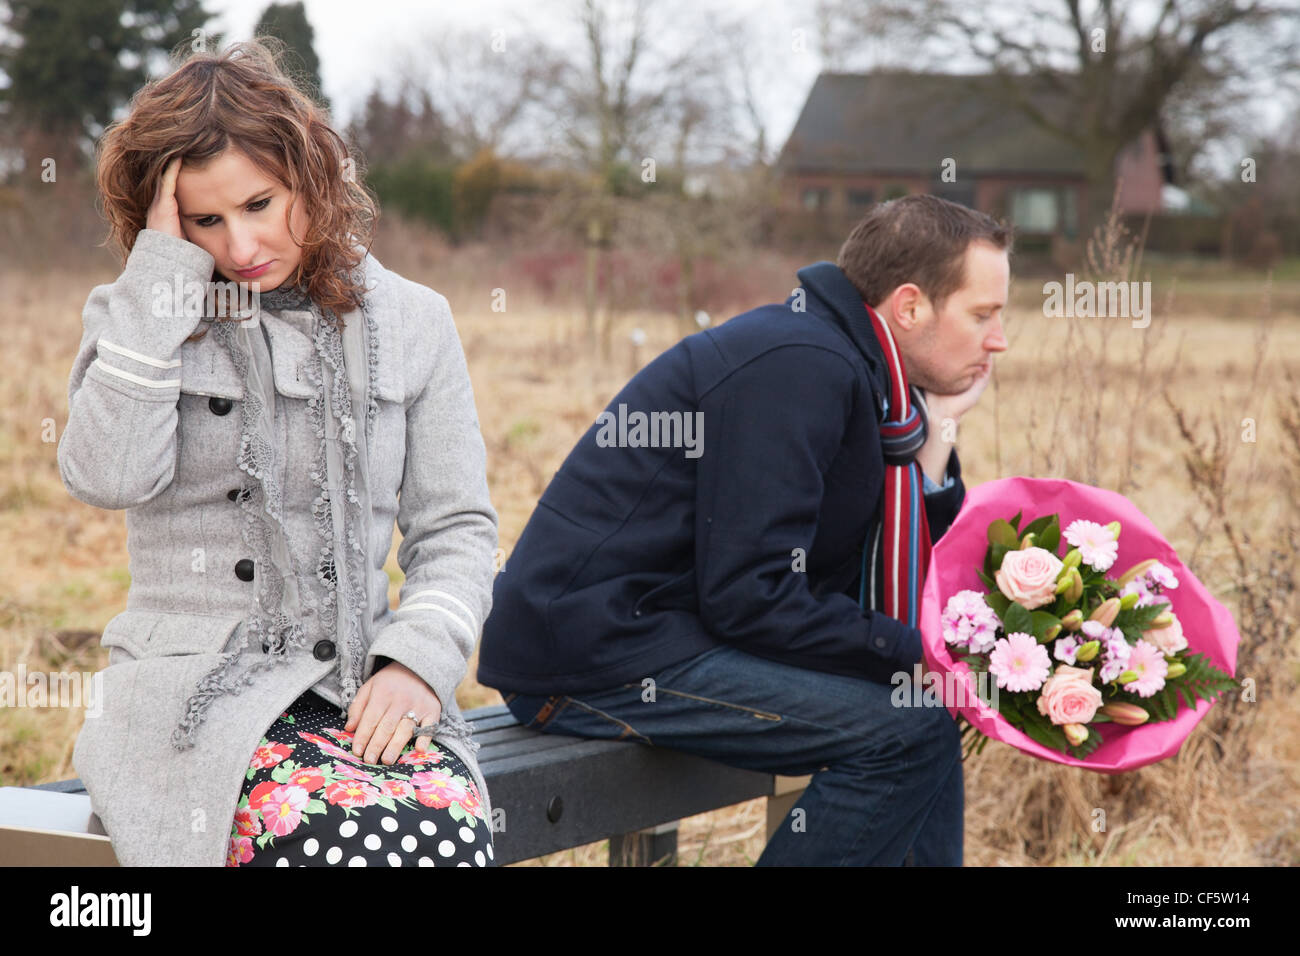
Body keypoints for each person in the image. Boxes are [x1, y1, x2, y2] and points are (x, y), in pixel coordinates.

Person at [58, 38, 499, 867]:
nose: (242, 245)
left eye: (261, 203)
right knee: (338, 845)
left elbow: (458, 530)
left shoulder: (414, 320)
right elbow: (104, 476)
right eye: (205, 219)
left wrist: (420, 663)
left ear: (312, 176)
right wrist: (160, 281)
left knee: (440, 837)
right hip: (193, 704)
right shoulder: (143, 315)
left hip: (363, 689)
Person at [478, 193, 1012, 866]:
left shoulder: (871, 384)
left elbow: (873, 568)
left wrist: (936, 443)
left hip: (671, 633)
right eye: (983, 314)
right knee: (907, 731)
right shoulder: (801, 365)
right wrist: (925, 656)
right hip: (595, 655)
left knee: (923, 709)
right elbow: (752, 595)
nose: (999, 339)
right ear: (909, 307)